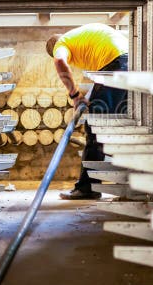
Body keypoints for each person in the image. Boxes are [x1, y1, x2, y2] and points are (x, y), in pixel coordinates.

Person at [46, 23, 129, 200]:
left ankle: (87, 188)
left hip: (115, 64)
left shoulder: (62, 44)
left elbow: (60, 61)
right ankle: (129, 186)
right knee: (123, 126)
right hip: (129, 62)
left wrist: (75, 95)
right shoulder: (82, 38)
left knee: (95, 128)